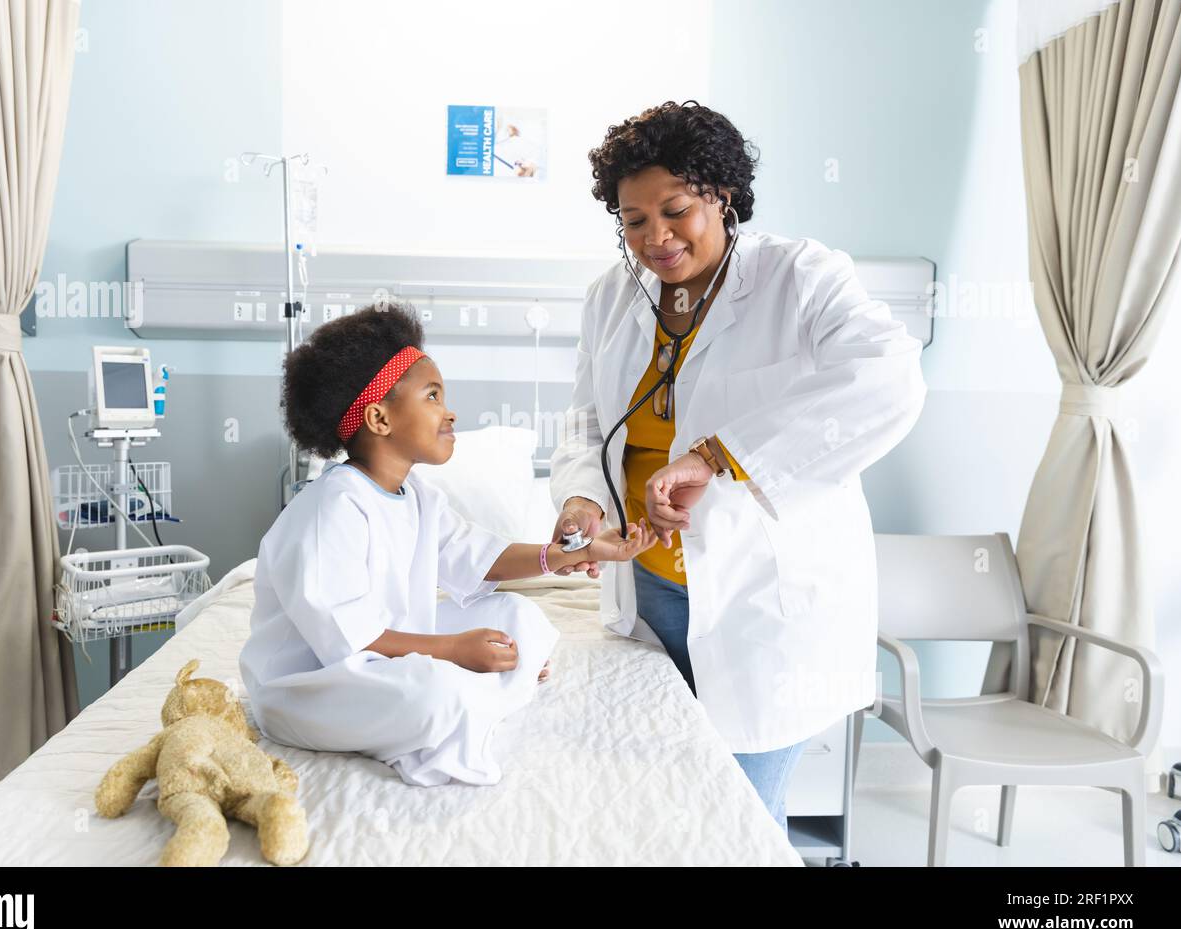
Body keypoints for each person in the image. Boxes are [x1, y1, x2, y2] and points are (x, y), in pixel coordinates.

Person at [549, 101, 927, 833]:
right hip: (652, 596)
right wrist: (581, 501)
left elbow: (890, 377)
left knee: (742, 823)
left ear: (722, 195)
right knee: (664, 810)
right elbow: (586, 420)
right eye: (633, 219)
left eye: (676, 209)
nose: (655, 237)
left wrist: (722, 453)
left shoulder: (798, 278)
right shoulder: (611, 298)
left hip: (761, 607)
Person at [240, 304, 657, 787]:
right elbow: (347, 637)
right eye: (432, 395)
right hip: (311, 684)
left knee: (519, 618)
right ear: (378, 417)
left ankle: (474, 695)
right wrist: (452, 650)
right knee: (433, 694)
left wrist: (578, 552)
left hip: (387, 652)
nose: (450, 411)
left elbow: (479, 555)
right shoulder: (330, 508)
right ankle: (473, 698)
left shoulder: (415, 496)